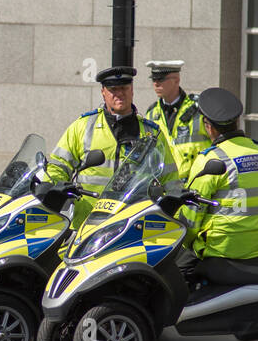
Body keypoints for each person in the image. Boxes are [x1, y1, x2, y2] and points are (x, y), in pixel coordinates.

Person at [154, 86, 258, 341]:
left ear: (207, 126)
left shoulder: (212, 159)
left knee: (175, 276)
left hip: (222, 249)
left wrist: (181, 241)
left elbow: (191, 216)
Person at [44, 65, 169, 227]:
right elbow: (58, 165)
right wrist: (55, 186)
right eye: (113, 89)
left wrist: (174, 198)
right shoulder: (82, 127)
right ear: (103, 92)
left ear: (132, 90)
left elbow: (170, 178)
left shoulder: (152, 133)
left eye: (124, 87)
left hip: (132, 225)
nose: (119, 93)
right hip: (87, 223)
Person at [143, 59, 210, 180]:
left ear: (176, 80)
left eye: (161, 80)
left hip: (196, 181)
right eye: (154, 79)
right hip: (166, 184)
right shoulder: (152, 113)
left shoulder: (200, 108)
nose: (156, 84)